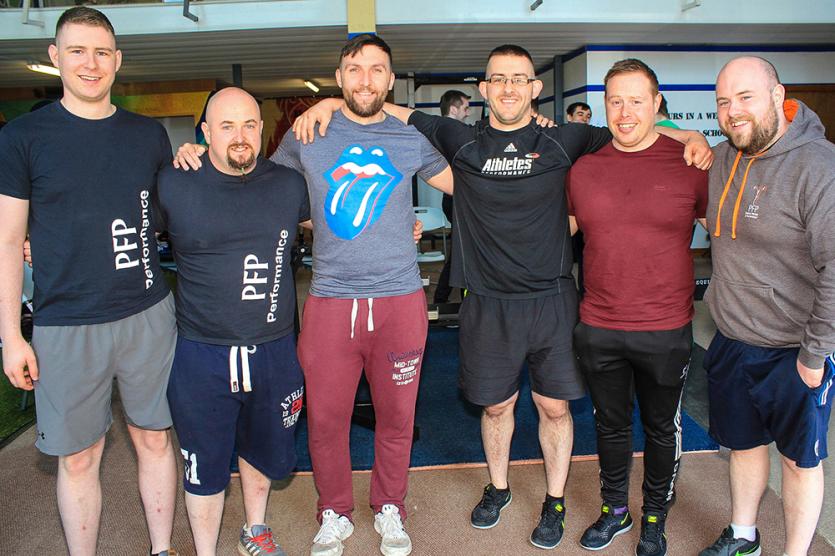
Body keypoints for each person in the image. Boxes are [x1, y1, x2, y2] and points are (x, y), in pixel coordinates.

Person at [293, 43, 712, 550]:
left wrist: (689, 133)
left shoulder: (569, 139)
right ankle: (499, 487)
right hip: (487, 301)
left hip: (552, 298)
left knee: (555, 409)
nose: (509, 87)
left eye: (519, 79)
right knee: (496, 408)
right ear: (484, 90)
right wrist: (330, 103)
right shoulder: (460, 140)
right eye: (498, 79)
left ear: (534, 89)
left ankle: (555, 501)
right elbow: (386, 105)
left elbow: (636, 130)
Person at [175, 34, 453, 556]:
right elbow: (254, 178)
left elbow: (468, 182)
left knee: (398, 417)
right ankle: (334, 513)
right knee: (325, 420)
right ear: (339, 77)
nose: (365, 78)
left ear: (390, 80)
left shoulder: (409, 137)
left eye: (376, 69)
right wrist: (198, 149)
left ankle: (390, 505)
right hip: (329, 302)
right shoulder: (309, 133)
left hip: (399, 301)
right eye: (353, 69)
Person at [0, 7, 177, 556]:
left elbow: (166, 219)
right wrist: (12, 335)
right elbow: (8, 241)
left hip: (147, 313)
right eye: (76, 50)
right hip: (65, 323)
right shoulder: (23, 137)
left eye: (102, 52)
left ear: (117, 61)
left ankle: (162, 549)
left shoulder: (149, 136)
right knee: (79, 457)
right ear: (54, 58)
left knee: (154, 439)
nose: (90, 63)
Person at [157, 87, 310, 556]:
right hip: (201, 352)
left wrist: (401, 224)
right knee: (203, 463)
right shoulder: (173, 182)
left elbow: (338, 223)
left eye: (248, 125)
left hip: (275, 347)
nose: (239, 136)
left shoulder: (289, 184)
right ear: (204, 133)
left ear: (262, 130)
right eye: (226, 126)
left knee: (263, 449)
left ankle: (255, 529)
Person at [565, 59, 708, 556]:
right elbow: (557, 231)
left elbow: (731, 231)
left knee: (660, 427)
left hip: (666, 327)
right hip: (599, 323)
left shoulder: (691, 162)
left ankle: (654, 516)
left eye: (637, 101)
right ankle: (615, 511)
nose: (625, 113)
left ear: (657, 103)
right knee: (608, 425)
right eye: (616, 102)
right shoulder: (584, 167)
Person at [699, 56, 835, 556]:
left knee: (800, 461)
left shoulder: (819, 167)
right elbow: (665, 137)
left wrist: (815, 354)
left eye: (745, 97)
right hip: (733, 340)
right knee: (744, 445)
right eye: (723, 102)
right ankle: (743, 537)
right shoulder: (723, 160)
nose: (733, 111)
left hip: (795, 350)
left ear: (778, 96)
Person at [433, 89, 471, 304]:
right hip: (457, 198)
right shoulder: (449, 132)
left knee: (462, 249)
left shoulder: (446, 131)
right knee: (461, 250)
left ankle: (443, 297)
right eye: (465, 108)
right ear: (454, 108)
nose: (467, 113)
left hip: (456, 198)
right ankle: (442, 299)